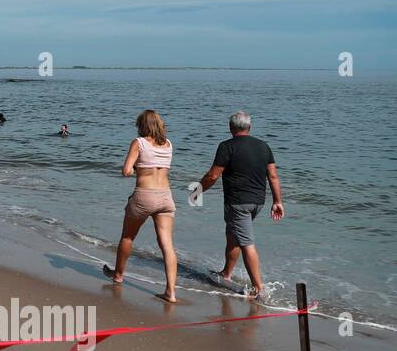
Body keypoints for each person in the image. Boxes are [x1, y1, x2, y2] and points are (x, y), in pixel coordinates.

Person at [196, 111, 284, 299]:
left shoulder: (227, 147)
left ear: (230, 128)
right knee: (233, 235)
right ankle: (226, 274)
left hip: (238, 203)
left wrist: (197, 191)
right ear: (249, 127)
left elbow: (213, 175)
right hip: (258, 202)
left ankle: (259, 289)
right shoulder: (263, 146)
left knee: (246, 243)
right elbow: (273, 176)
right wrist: (277, 201)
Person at [103, 110, 179, 303]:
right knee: (167, 245)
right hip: (166, 197)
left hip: (144, 196)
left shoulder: (139, 142)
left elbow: (126, 171)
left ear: (142, 125)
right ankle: (170, 291)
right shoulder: (169, 144)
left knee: (128, 236)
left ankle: (118, 275)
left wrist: (136, 167)